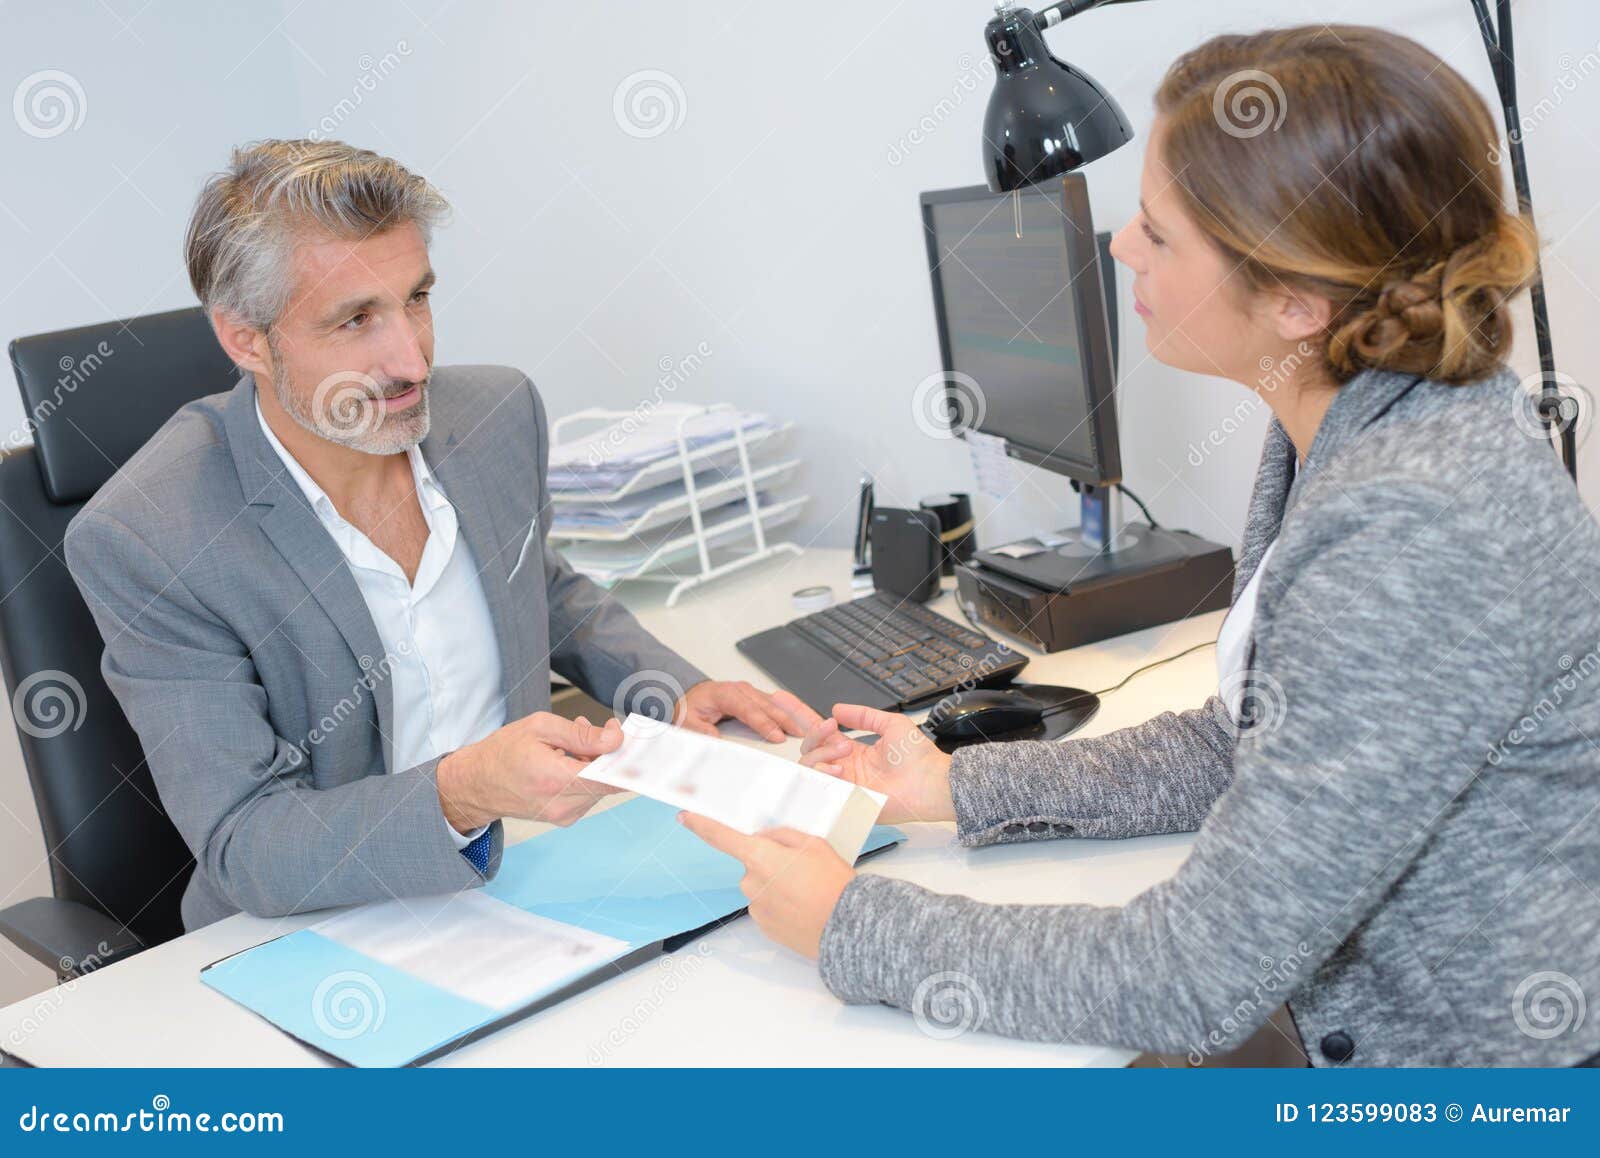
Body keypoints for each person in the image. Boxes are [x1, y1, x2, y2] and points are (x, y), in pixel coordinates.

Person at [680, 25, 1600, 1067]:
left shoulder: (1415, 528)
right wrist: (951, 783)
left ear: (1298, 300)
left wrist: (850, 924)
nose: (1120, 247)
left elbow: (1188, 980)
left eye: (1160, 235)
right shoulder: (1364, 419)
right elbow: (1252, 738)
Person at [65, 139, 808, 930]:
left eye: (416, 298)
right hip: (311, 930)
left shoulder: (494, 414)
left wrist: (665, 688)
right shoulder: (145, 535)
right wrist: (463, 791)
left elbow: (544, 589)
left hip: (530, 883)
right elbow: (247, 845)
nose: (411, 360)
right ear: (246, 339)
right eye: (356, 320)